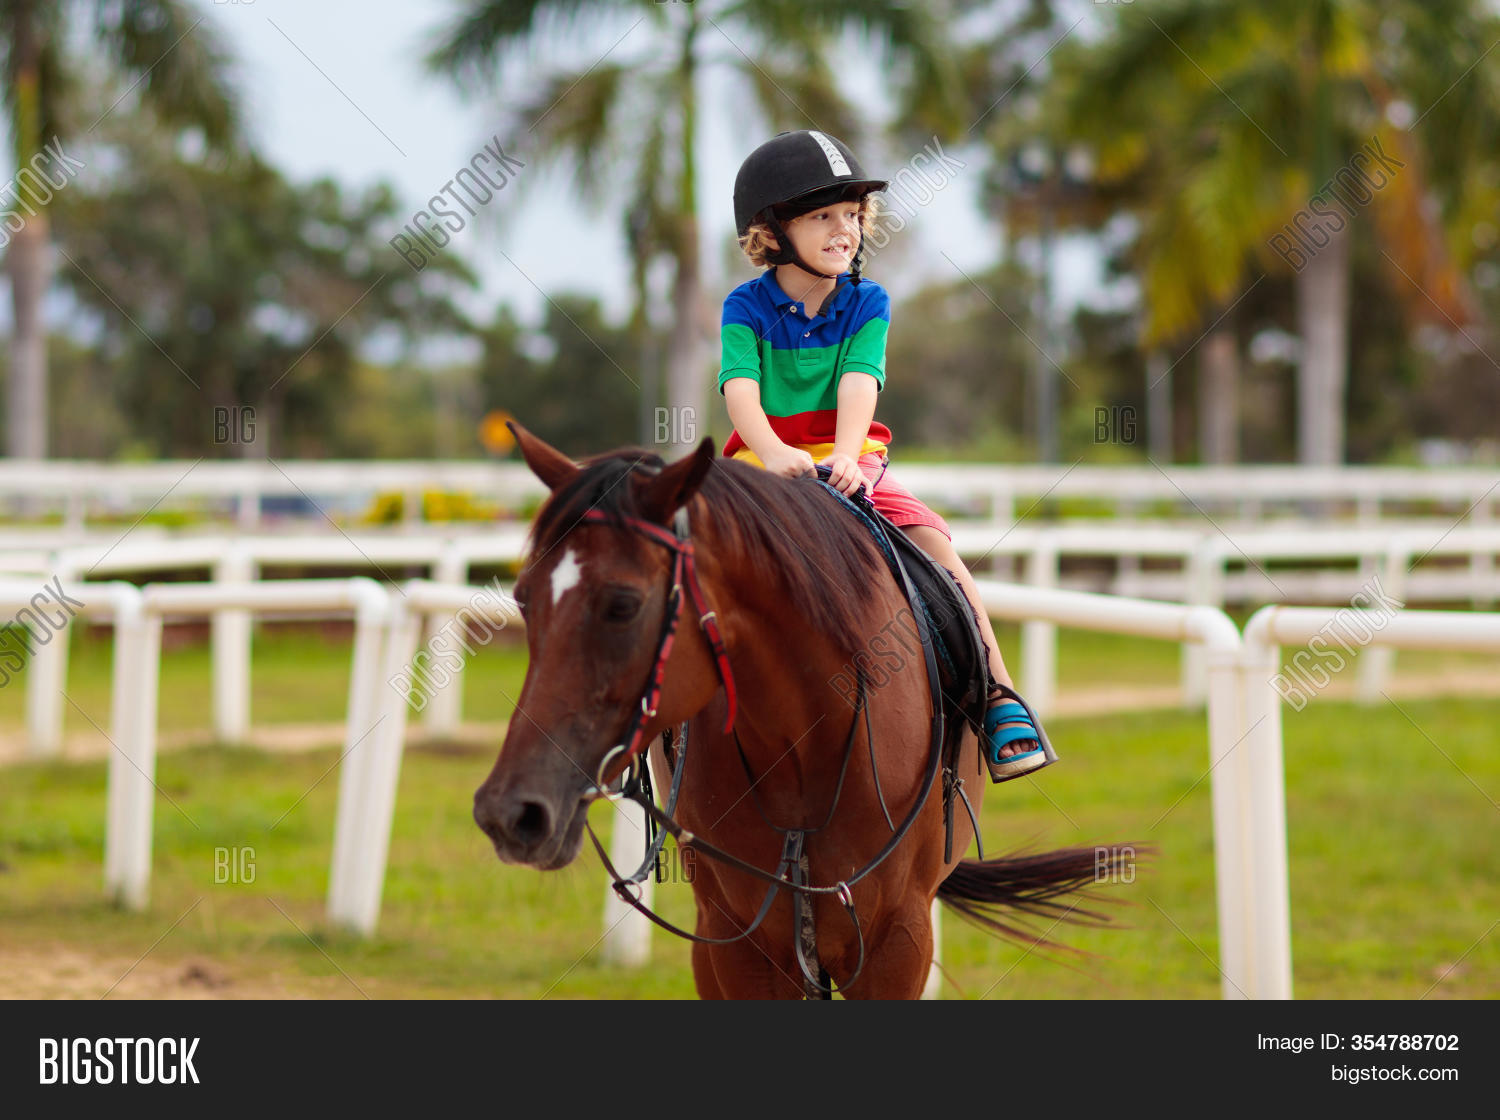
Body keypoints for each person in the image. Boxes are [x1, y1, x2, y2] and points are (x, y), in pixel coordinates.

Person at [718, 129, 1057, 783]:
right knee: (691, 547)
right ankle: (659, 717)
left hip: (850, 457)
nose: (844, 229)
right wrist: (774, 452)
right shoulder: (745, 307)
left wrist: (847, 457)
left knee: (932, 540)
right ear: (772, 230)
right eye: (823, 216)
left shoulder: (866, 302)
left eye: (851, 215)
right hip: (763, 461)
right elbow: (740, 390)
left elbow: (858, 383)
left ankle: (998, 695)